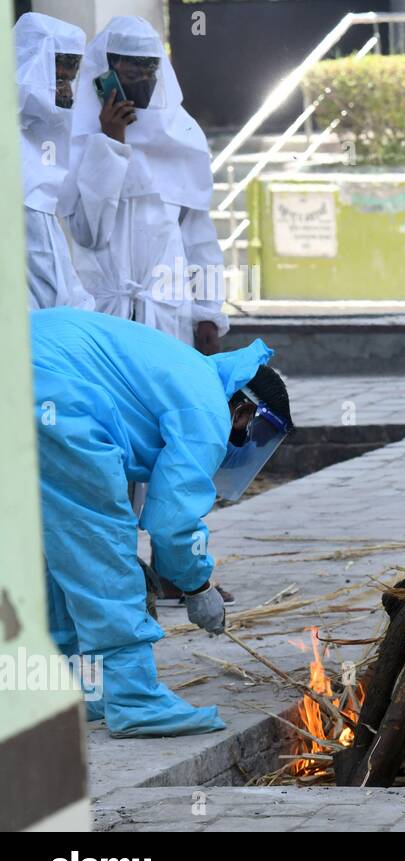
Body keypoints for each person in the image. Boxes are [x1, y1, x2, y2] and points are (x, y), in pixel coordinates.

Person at [31, 308, 293, 738]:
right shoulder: (209, 405)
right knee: (101, 551)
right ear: (245, 410)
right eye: (253, 434)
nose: (242, 444)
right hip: (54, 399)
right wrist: (198, 586)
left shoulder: (187, 370)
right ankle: (135, 700)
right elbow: (172, 523)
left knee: (53, 550)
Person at [57, 16, 226, 355]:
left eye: (150, 73)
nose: (144, 83)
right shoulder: (76, 136)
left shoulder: (183, 137)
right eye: (132, 76)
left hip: (167, 316)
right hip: (106, 316)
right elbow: (90, 232)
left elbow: (199, 238)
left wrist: (208, 313)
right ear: (104, 77)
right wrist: (110, 144)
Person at [14, 12, 96, 313]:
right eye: (57, 78)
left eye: (70, 80)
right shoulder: (16, 158)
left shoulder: (38, 146)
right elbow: (44, 267)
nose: (65, 92)